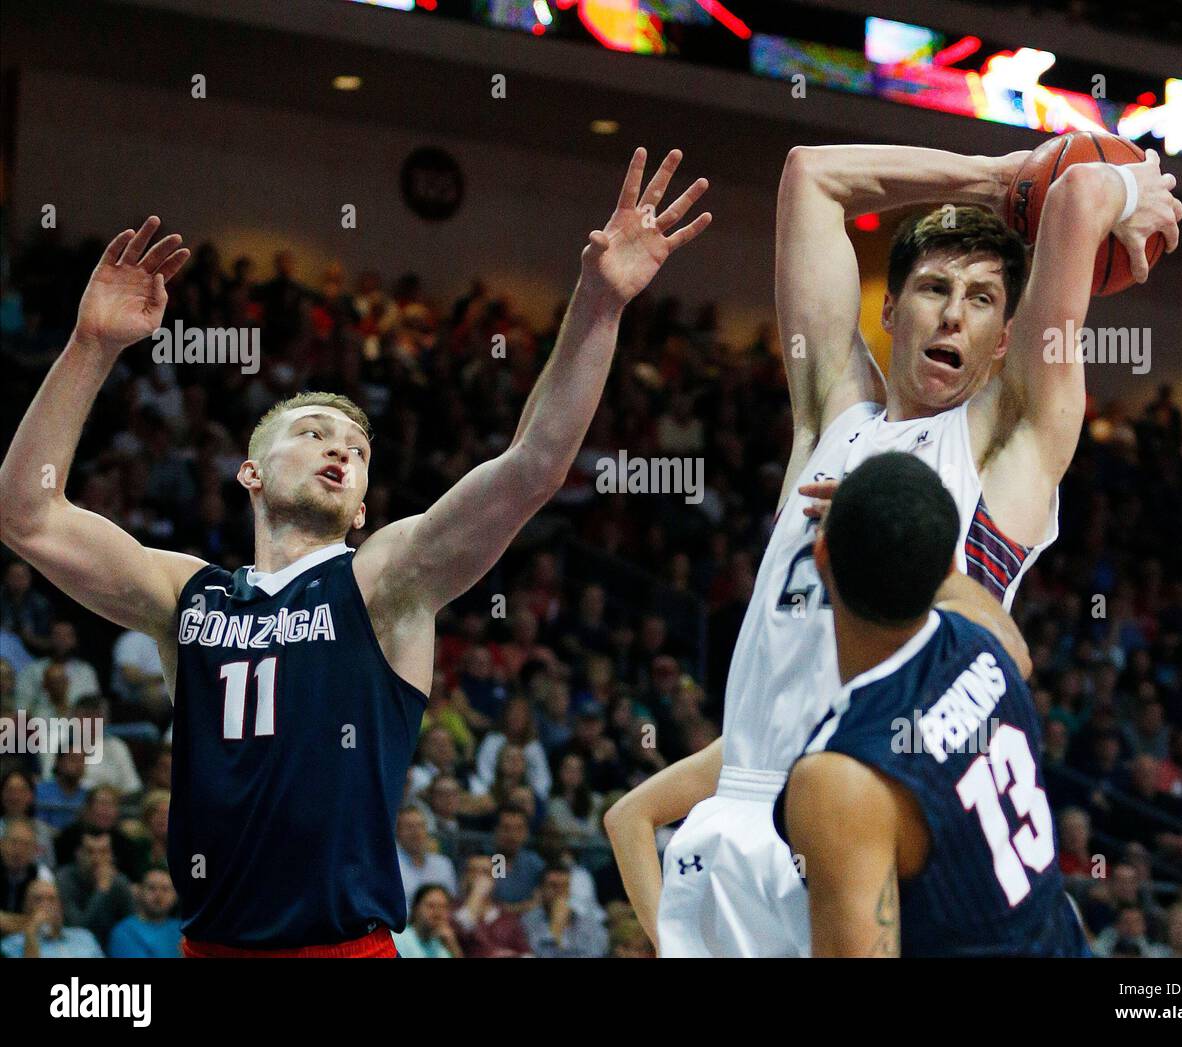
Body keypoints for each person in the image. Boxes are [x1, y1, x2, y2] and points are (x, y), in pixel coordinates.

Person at [0, 149, 709, 957]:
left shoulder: (381, 580)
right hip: (207, 948)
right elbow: (26, 513)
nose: (340, 451)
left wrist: (597, 303)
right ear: (252, 472)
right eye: (313, 434)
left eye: (357, 449)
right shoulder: (191, 596)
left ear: (364, 504)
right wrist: (92, 346)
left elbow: (535, 466)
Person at [609, 139, 1181, 956]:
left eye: (983, 299)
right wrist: (993, 176)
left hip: (860, 826)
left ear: (1002, 339)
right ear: (888, 309)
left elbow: (1081, 189)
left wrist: (1124, 190)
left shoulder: (1005, 448)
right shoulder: (831, 420)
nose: (954, 312)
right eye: (934, 288)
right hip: (730, 831)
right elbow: (811, 174)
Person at [773, 453, 1087, 956]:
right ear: (944, 566)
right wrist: (898, 523)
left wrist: (869, 520)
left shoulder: (839, 779)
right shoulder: (984, 640)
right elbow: (1017, 648)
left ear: (821, 555)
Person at [521, 864, 609, 958]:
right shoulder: (528, 923)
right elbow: (535, 953)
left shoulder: (588, 923)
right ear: (541, 890)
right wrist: (555, 929)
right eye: (553, 886)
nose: (560, 891)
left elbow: (597, 952)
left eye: (565, 886)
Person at [1, 877, 103, 958]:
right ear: (26, 908)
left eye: (52, 899)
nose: (46, 905)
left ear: (61, 906)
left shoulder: (84, 937)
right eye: (38, 900)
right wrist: (31, 933)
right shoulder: (11, 945)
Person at [107, 866, 183, 958]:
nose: (159, 895)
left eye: (165, 889)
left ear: (175, 895)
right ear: (138, 892)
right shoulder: (124, 931)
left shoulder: (183, 931)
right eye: (152, 888)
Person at [394, 805, 457, 911]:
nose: (416, 832)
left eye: (420, 826)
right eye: (409, 827)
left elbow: (451, 903)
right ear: (397, 832)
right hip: (404, 925)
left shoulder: (443, 864)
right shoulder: (391, 865)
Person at [392, 884, 462, 959]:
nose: (437, 913)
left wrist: (453, 946)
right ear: (416, 908)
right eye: (431, 906)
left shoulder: (440, 944)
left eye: (443, 907)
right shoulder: (398, 939)